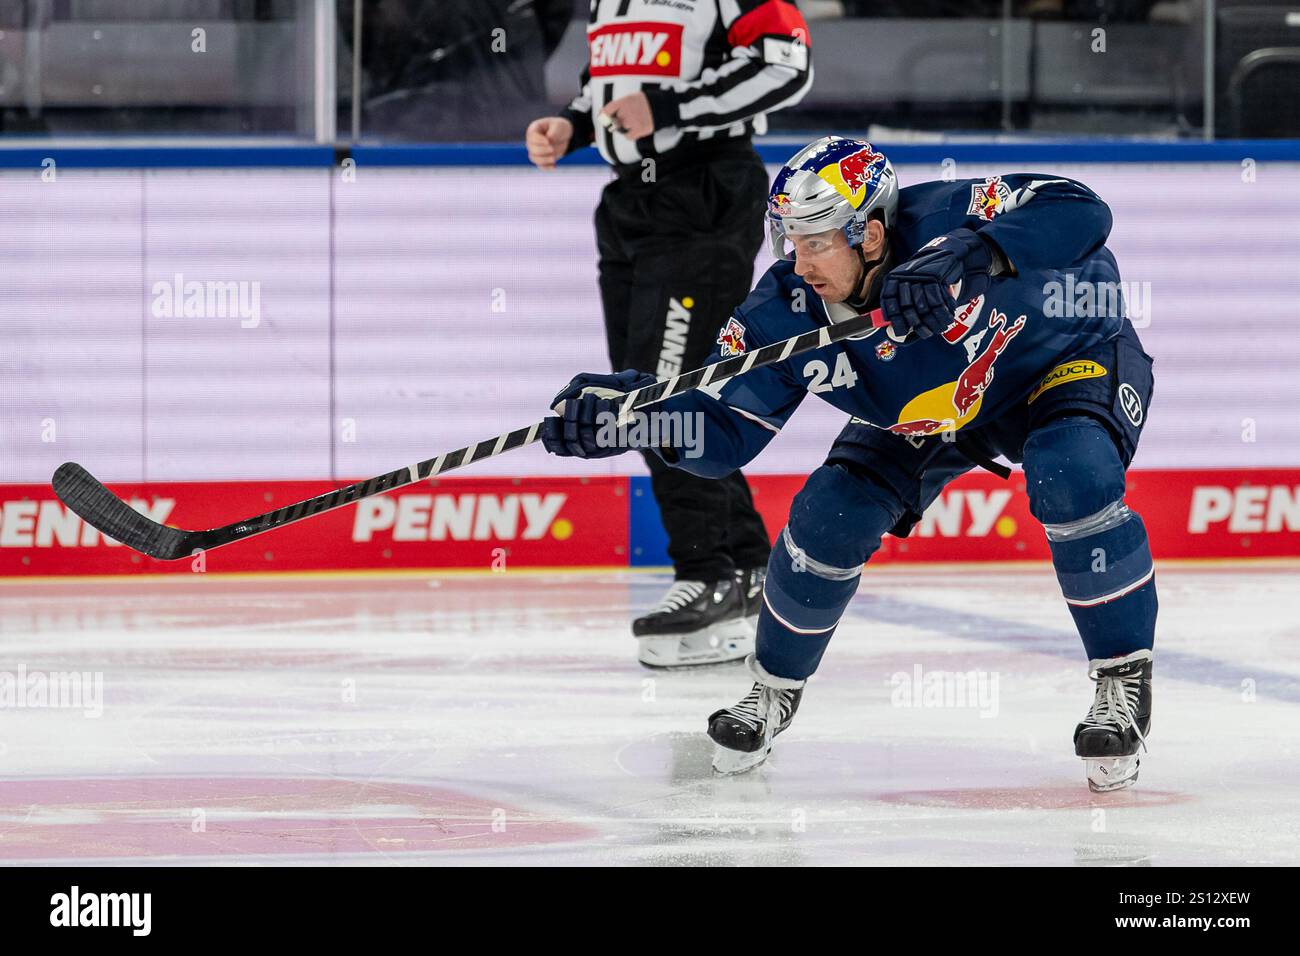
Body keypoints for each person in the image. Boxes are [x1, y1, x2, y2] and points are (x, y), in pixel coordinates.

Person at [541, 136, 1158, 793]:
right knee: (827, 517)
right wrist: (636, 420)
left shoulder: (949, 215)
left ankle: (1122, 681)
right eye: (788, 241)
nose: (797, 261)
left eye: (814, 241)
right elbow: (726, 432)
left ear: (868, 233)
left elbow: (1082, 208)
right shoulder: (782, 312)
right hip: (932, 408)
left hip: (1064, 361)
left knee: (1072, 473)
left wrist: (973, 250)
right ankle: (772, 690)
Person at [525, 1, 814, 669]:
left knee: (659, 398)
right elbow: (610, 79)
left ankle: (708, 571)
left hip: (705, 190)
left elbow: (786, 69)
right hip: (629, 199)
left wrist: (672, 106)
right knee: (641, 390)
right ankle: (743, 569)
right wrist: (572, 122)